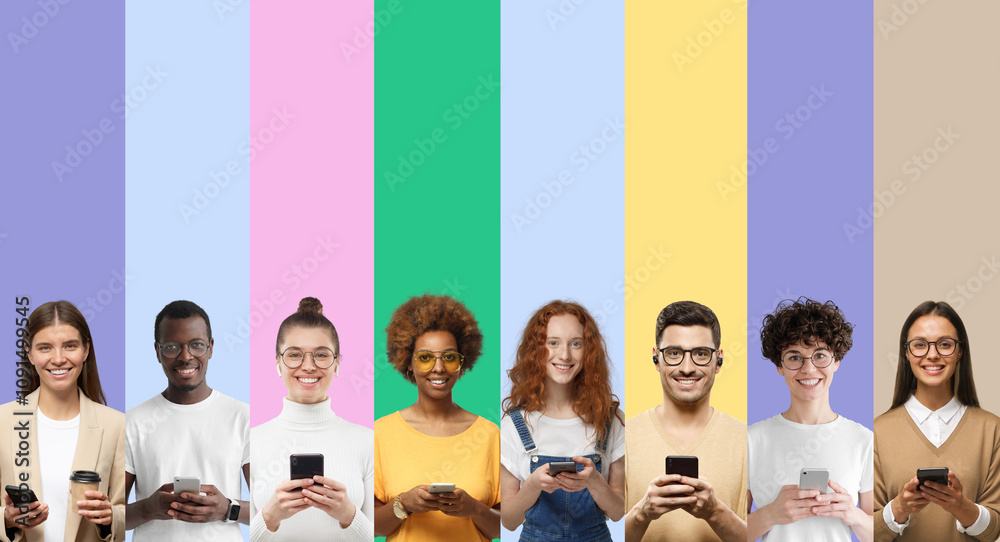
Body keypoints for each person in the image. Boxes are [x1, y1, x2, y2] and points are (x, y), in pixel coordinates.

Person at [373, 294, 501, 541]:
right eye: (425, 358)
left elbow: (506, 529)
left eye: (449, 357)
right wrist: (404, 503)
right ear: (408, 362)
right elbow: (373, 528)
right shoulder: (382, 432)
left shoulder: (489, 434)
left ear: (462, 364)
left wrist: (473, 508)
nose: (439, 368)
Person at [747, 298, 873, 542]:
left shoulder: (863, 440)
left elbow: (877, 535)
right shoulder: (752, 440)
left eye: (820, 355)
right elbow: (730, 534)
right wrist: (770, 515)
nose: (808, 369)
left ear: (836, 361)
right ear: (779, 366)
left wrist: (852, 514)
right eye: (794, 357)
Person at [500, 300, 626, 541]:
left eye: (576, 344)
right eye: (553, 343)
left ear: (589, 351)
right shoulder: (513, 425)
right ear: (536, 350)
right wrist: (534, 485)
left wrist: (594, 482)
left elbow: (619, 512)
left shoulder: (611, 419)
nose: (565, 355)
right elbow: (508, 521)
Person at [874, 301, 1000, 541]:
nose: (932, 354)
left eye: (945, 344)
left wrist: (961, 506)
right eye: (920, 345)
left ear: (960, 351)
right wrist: (900, 507)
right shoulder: (877, 433)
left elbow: (994, 531)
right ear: (907, 352)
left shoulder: (992, 430)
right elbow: (867, 531)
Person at [0, 300, 125, 542]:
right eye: (45, 348)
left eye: (70, 346)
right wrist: (6, 519)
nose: (58, 359)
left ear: (86, 350)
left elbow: (123, 509)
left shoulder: (116, 425)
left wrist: (111, 518)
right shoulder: (2, 421)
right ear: (30, 353)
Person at [124, 300, 249, 541]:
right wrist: (149, 508)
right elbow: (109, 517)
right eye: (171, 347)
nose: (185, 356)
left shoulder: (242, 416)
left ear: (211, 348)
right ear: (157, 351)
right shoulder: (133, 422)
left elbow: (268, 512)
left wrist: (227, 508)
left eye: (197, 345)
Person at [249, 297, 373, 541]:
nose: (308, 366)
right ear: (277, 363)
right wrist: (269, 516)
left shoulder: (367, 440)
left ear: (337, 364)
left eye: (322, 355)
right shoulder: (250, 441)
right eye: (294, 354)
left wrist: (348, 514)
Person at [624, 300, 747, 542]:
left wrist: (714, 512)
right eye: (674, 353)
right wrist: (642, 514)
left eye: (701, 353)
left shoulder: (747, 439)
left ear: (718, 360)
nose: (687, 367)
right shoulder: (622, 437)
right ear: (656, 359)